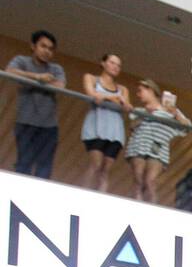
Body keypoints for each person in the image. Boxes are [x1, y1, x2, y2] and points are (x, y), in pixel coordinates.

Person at [6, 30, 66, 180]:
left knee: (45, 167)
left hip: (49, 126)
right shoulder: (22, 61)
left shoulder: (56, 68)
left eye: (50, 49)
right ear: (33, 46)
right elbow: (10, 71)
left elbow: (60, 86)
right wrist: (37, 77)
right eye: (43, 46)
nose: (47, 51)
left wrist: (41, 81)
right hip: (25, 121)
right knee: (24, 163)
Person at [124, 79, 191, 203]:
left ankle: (151, 212)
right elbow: (132, 126)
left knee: (150, 181)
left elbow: (187, 127)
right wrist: (147, 114)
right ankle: (135, 208)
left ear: (150, 90)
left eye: (140, 91)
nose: (138, 94)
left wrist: (175, 113)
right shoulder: (140, 111)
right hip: (139, 145)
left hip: (159, 149)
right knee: (138, 179)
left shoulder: (171, 110)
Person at [80, 52, 130, 193]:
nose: (115, 67)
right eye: (112, 63)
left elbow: (126, 105)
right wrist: (112, 98)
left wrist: (107, 98)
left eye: (118, 65)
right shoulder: (91, 78)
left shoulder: (123, 89)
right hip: (96, 127)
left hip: (115, 131)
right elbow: (91, 94)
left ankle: (101, 198)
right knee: (96, 164)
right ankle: (82, 196)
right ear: (103, 63)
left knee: (105, 169)